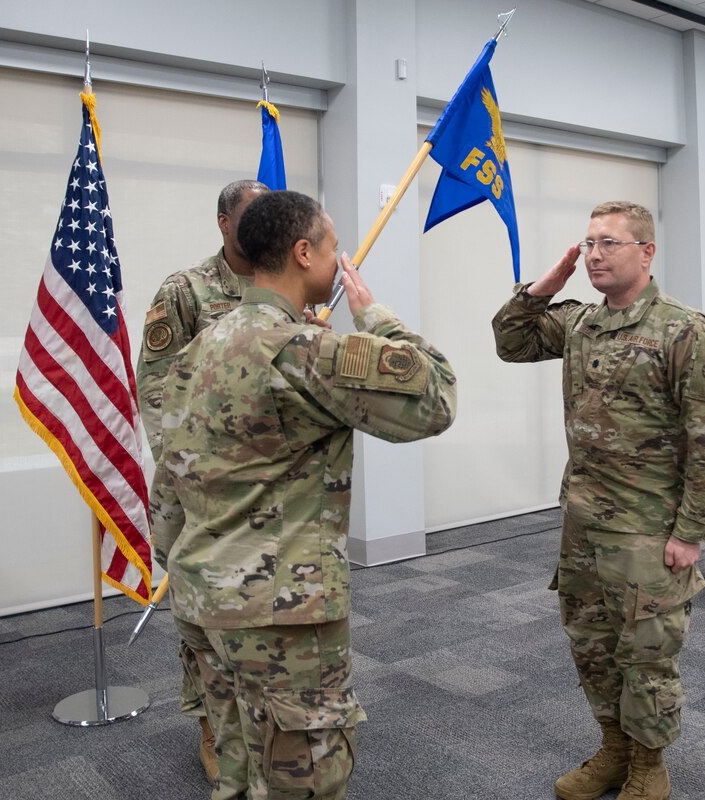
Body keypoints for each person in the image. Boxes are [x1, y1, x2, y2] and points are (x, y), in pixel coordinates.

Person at [150, 190, 457, 800]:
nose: (339, 260)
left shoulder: (198, 350)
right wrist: (375, 317)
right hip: (280, 613)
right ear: (302, 252)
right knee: (303, 777)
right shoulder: (305, 351)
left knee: (237, 770)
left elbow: (170, 476)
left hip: (200, 600)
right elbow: (437, 398)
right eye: (333, 247)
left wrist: (179, 565)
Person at [491, 201, 705, 800]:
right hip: (582, 526)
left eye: (609, 243)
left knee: (648, 653)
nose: (595, 253)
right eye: (589, 242)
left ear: (646, 253)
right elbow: (511, 340)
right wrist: (543, 287)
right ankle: (614, 747)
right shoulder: (580, 323)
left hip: (649, 529)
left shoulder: (683, 331)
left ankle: (649, 765)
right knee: (592, 645)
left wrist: (690, 532)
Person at [136, 179, 269, 783]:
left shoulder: (278, 286)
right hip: (205, 488)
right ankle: (212, 725)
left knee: (264, 609)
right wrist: (193, 473)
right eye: (249, 215)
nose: (262, 222)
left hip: (266, 490)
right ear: (222, 222)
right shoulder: (186, 291)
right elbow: (158, 389)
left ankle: (264, 721)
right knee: (202, 614)